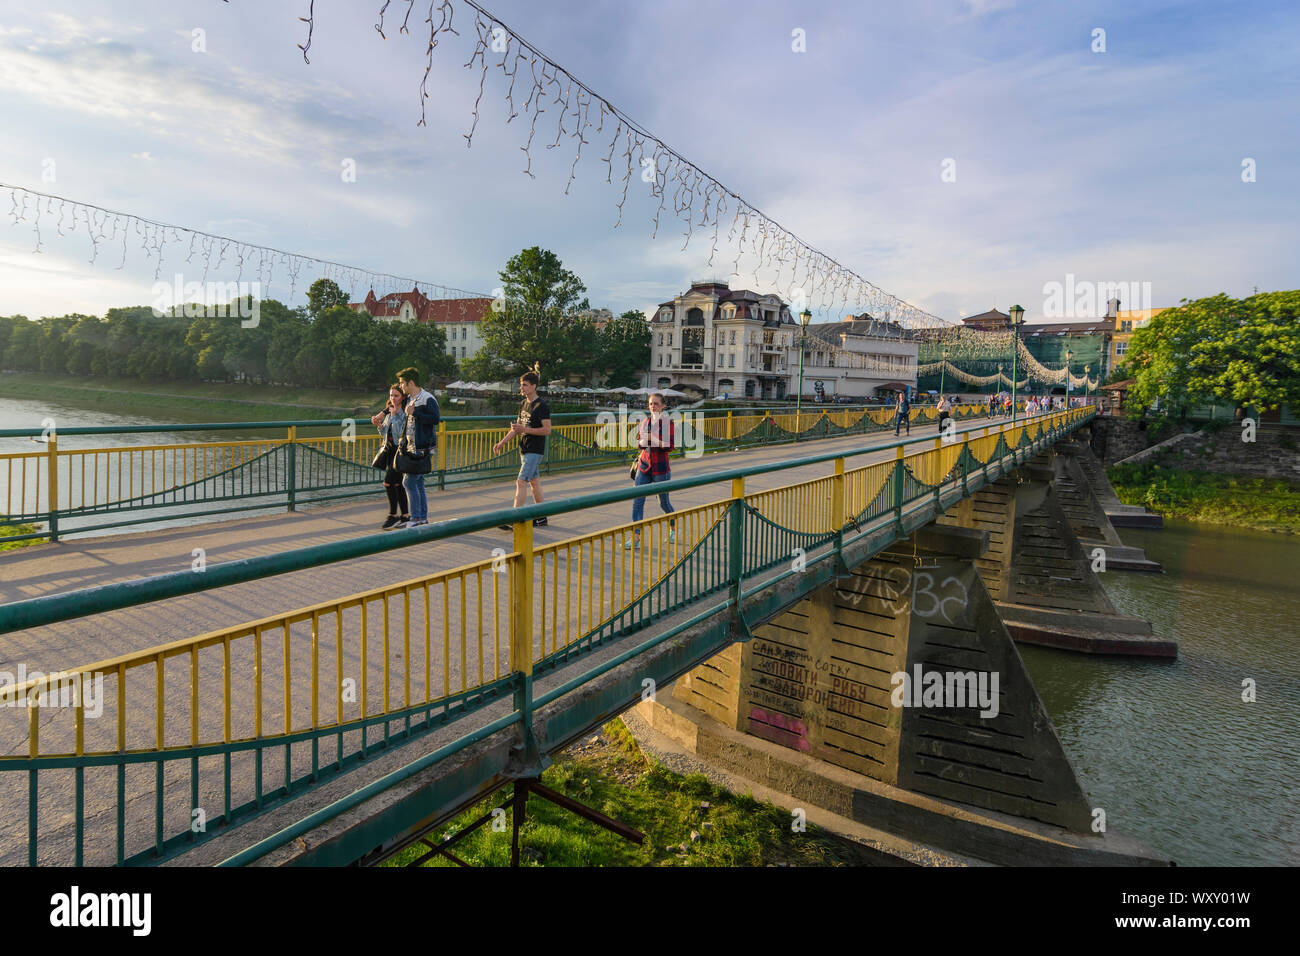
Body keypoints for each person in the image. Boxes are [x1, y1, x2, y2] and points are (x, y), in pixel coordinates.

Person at [492, 369, 551, 529]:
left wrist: (524, 430)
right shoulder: (523, 404)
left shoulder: (541, 406)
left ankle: (515, 517)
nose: (522, 388)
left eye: (525, 385)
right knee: (534, 483)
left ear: (534, 386)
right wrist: (502, 442)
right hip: (525, 448)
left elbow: (547, 430)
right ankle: (541, 517)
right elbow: (517, 428)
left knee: (521, 481)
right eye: (521, 385)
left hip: (535, 450)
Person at [626, 391, 677, 549]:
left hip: (661, 468)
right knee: (637, 501)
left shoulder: (668, 423)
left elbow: (669, 446)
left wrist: (653, 439)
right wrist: (642, 440)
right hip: (644, 466)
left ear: (663, 406)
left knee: (664, 502)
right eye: (650, 404)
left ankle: (673, 528)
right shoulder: (645, 422)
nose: (653, 406)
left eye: (656, 404)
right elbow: (640, 443)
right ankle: (636, 538)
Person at [396, 366, 439, 528]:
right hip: (412, 446)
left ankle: (415, 518)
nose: (401, 386)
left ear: (411, 383)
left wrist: (415, 413)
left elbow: (435, 419)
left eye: (402, 383)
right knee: (418, 482)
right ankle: (421, 518)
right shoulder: (410, 399)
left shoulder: (427, 398)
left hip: (423, 447)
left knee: (409, 482)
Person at [369, 384, 409, 529]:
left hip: (400, 452)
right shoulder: (389, 411)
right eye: (391, 395)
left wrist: (393, 416)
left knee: (388, 483)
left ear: (403, 397)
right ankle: (405, 516)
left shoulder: (404, 412)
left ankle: (393, 515)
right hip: (390, 451)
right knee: (398, 485)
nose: (392, 398)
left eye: (396, 395)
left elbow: (399, 435)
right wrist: (379, 425)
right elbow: (386, 434)